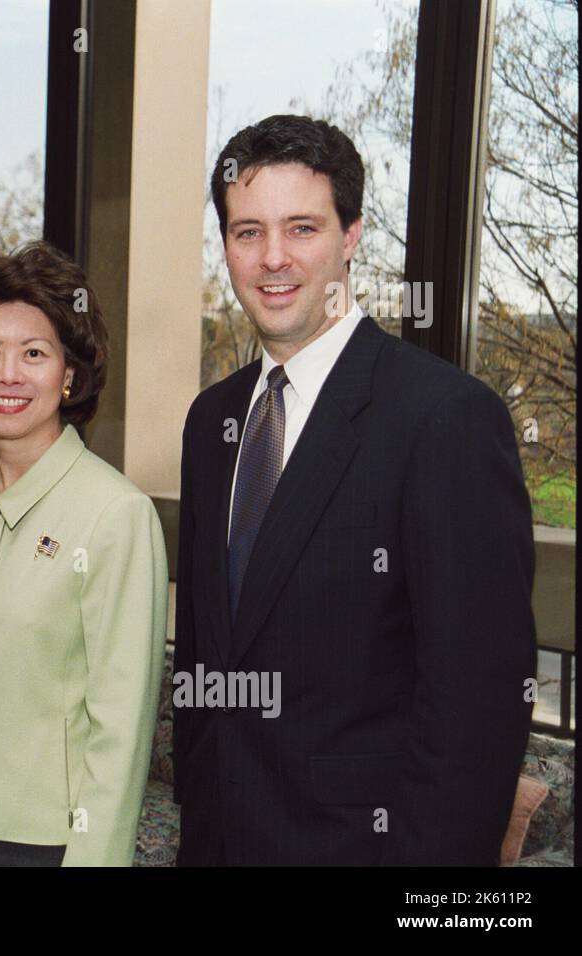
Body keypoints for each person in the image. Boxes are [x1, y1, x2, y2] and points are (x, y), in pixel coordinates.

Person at [173, 114, 536, 865]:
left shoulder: (445, 418)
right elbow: (208, 657)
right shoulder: (213, 422)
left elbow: (477, 710)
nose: (273, 258)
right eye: (247, 232)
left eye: (301, 227)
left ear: (350, 236)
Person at [0, 241, 168, 866]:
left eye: (34, 353)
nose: (8, 375)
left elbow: (122, 733)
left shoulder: (117, 516)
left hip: (45, 845)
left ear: (70, 374)